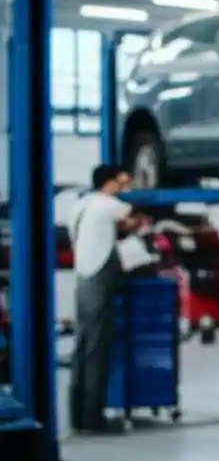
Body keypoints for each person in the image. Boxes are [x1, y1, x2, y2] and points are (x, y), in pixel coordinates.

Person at [68, 165, 146, 434]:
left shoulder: (82, 204)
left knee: (82, 347)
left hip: (82, 278)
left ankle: (78, 416)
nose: (124, 187)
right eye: (121, 182)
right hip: (99, 281)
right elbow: (137, 219)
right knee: (97, 351)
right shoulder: (108, 204)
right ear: (110, 183)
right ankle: (93, 419)